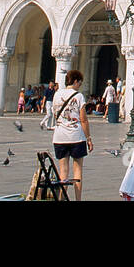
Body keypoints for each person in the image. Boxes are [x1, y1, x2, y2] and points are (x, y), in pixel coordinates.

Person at [51, 70, 91, 201]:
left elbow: (54, 113)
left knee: (63, 172)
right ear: (75, 81)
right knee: (77, 171)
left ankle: (62, 198)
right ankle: (78, 199)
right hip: (76, 137)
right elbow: (83, 119)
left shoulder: (57, 94)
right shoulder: (78, 96)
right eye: (80, 82)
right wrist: (89, 138)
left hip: (59, 137)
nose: (80, 85)